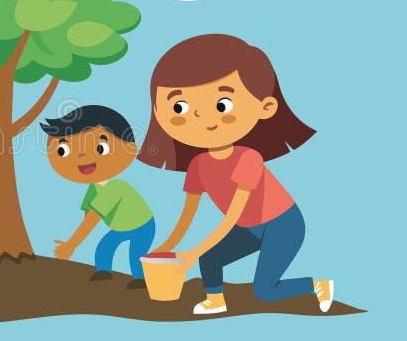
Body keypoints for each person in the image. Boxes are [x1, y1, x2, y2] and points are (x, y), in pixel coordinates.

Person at [139, 34, 333, 314]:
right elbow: (187, 216)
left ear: (265, 107)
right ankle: (215, 302)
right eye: (180, 108)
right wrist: (167, 247)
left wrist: (192, 252)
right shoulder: (198, 165)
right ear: (159, 113)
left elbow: (232, 215)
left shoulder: (249, 158)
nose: (203, 119)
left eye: (222, 105)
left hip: (283, 224)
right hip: (249, 225)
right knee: (210, 260)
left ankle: (316, 285)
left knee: (264, 291)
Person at [43, 105, 155, 289]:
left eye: (100, 147)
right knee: (104, 247)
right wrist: (78, 236)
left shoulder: (116, 188)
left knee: (136, 254)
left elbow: (93, 219)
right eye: (64, 151)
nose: (82, 156)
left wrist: (72, 245)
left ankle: (140, 279)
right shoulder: (94, 187)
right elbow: (88, 212)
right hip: (119, 226)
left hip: (143, 225)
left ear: (129, 147)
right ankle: (104, 272)